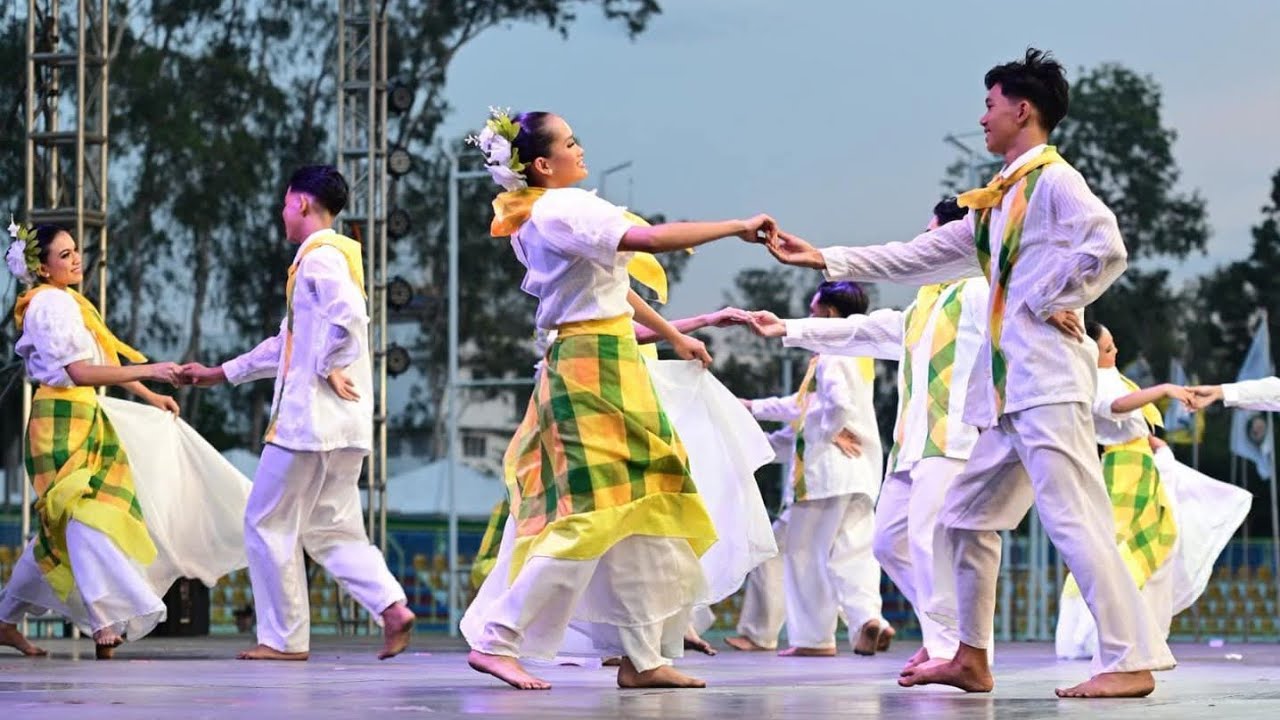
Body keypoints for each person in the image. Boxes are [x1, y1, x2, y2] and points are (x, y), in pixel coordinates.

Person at [765, 49, 1175, 697]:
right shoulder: (997, 201)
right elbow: (918, 256)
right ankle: (970, 657)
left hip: (1048, 388)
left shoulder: (1054, 181)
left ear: (1023, 110)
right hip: (1008, 398)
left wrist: (1054, 295)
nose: (982, 118)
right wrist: (823, 257)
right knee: (963, 521)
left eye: (990, 105)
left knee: (1075, 520)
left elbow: (1106, 246)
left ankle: (1130, 661)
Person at [459, 108, 776, 690]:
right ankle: (497, 638)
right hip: (590, 370)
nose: (580, 149)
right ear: (542, 164)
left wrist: (675, 334)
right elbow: (648, 239)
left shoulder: (544, 210)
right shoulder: (560, 208)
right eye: (569, 142)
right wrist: (735, 226)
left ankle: (643, 655)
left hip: (610, 361)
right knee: (594, 514)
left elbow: (614, 289)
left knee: (652, 502)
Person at [748, 197, 991, 676]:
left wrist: (1063, 317)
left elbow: (1027, 309)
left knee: (925, 541)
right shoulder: (930, 300)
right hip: (911, 443)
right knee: (888, 542)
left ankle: (950, 651)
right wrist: (789, 328)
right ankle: (947, 637)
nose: (924, 241)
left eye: (932, 233)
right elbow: (873, 331)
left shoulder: (982, 290)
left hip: (954, 436)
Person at [182, 165, 415, 662]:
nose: (283, 213)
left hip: (308, 425)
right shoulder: (330, 258)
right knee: (331, 529)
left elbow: (349, 319)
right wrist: (221, 373)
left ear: (302, 203)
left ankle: (283, 639)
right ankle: (391, 606)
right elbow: (286, 345)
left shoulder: (319, 258)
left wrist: (328, 365)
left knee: (265, 522)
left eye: (286, 203)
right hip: (344, 427)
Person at [1, 220, 250, 659]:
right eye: (65, 255)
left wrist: (150, 394)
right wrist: (151, 371)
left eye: (76, 251)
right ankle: (104, 618)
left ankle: (4, 621)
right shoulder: (48, 306)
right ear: (42, 268)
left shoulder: (69, 301)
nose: (76, 259)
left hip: (84, 416)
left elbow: (102, 360)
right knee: (81, 515)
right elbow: (80, 372)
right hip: (58, 423)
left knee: (62, 525)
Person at [741, 281, 889, 657]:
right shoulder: (860, 353)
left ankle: (813, 639)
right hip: (861, 474)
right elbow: (805, 405)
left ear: (828, 313)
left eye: (813, 310)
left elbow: (835, 405)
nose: (809, 316)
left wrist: (829, 431)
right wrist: (754, 407)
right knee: (852, 552)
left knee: (804, 554)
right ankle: (868, 619)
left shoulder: (831, 351)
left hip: (826, 472)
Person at [1054, 322, 1185, 659]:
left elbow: (1127, 417)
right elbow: (1114, 407)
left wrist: (1147, 439)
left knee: (1155, 539)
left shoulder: (1109, 376)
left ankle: (1139, 629)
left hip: (1138, 463)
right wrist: (1164, 390)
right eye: (1108, 348)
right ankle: (1093, 633)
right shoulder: (1091, 380)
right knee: (1115, 547)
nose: (1115, 352)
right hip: (1125, 469)